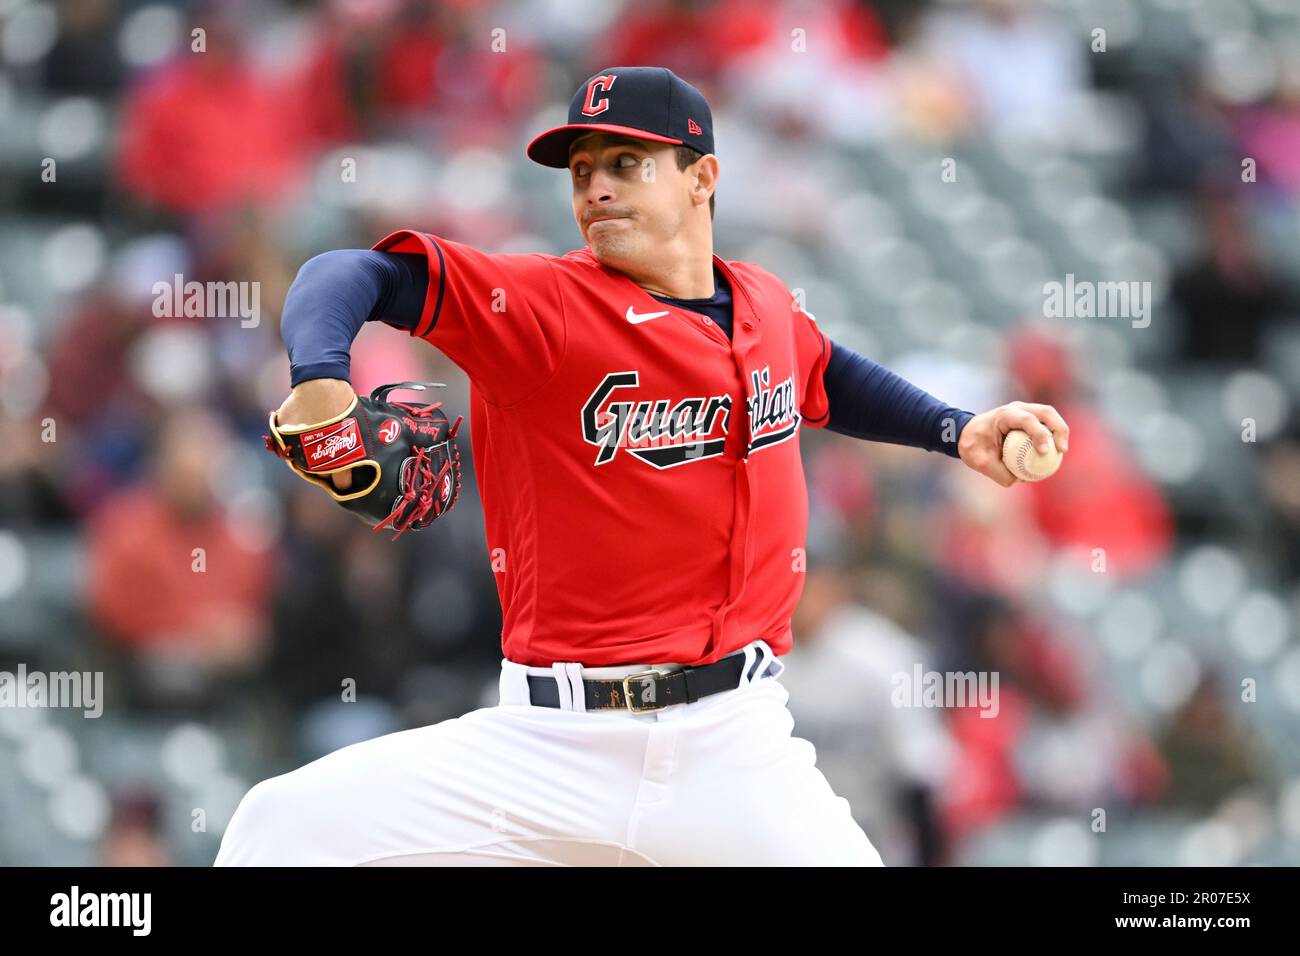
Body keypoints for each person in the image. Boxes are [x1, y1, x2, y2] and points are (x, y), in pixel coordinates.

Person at [216, 66, 1069, 866]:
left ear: (702, 177)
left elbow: (824, 372)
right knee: (277, 829)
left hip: (736, 745)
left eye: (626, 161)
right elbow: (347, 275)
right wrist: (320, 379)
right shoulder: (542, 309)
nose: (596, 186)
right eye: (581, 169)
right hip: (550, 745)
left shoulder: (767, 304)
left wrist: (955, 430)